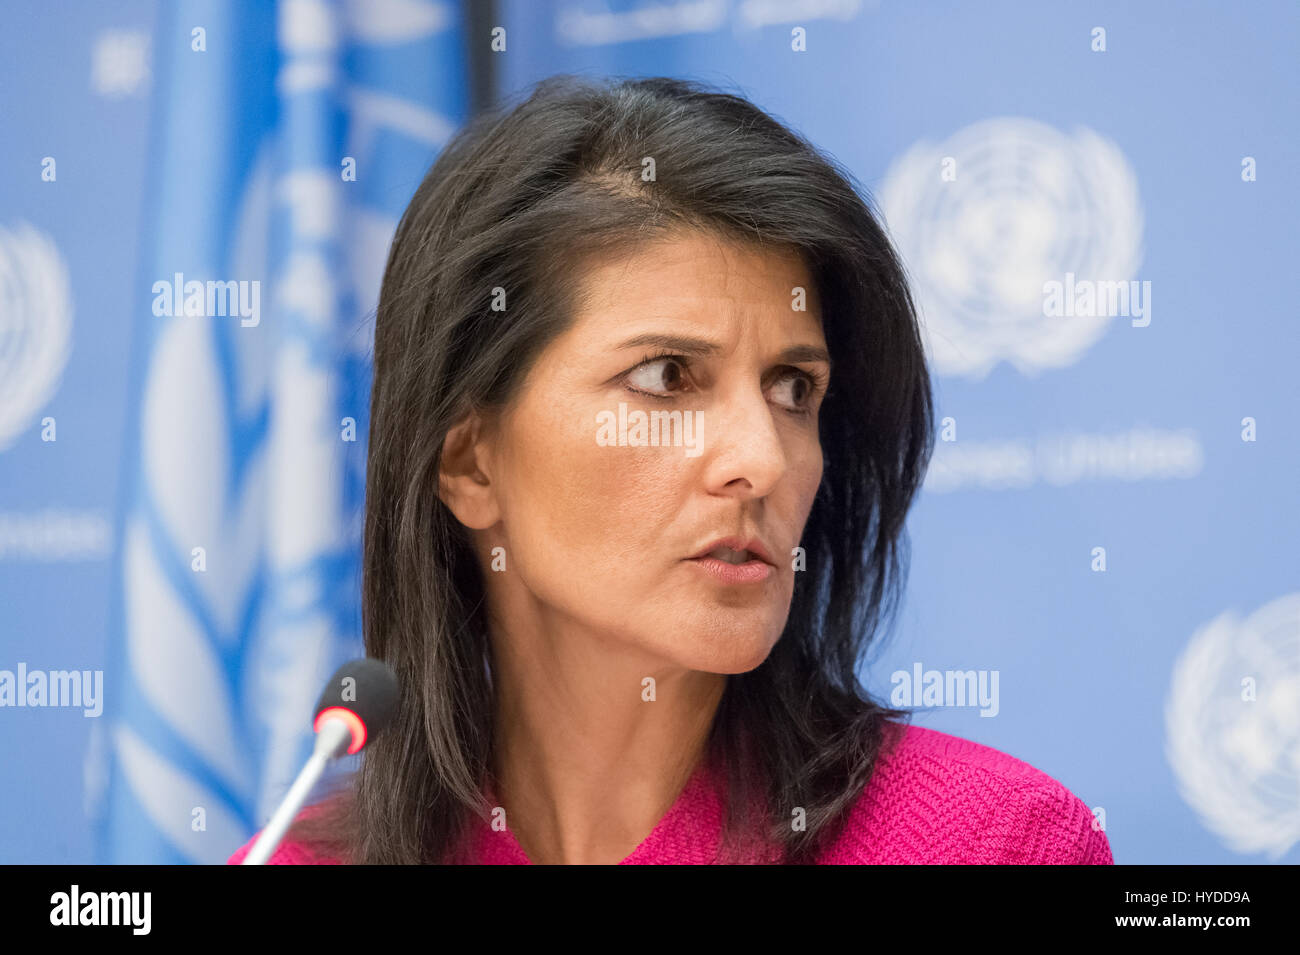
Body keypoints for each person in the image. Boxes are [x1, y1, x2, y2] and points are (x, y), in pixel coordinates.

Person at [228, 74, 1113, 865]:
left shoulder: (994, 840)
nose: (761, 461)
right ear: (470, 463)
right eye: (665, 378)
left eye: (794, 387)